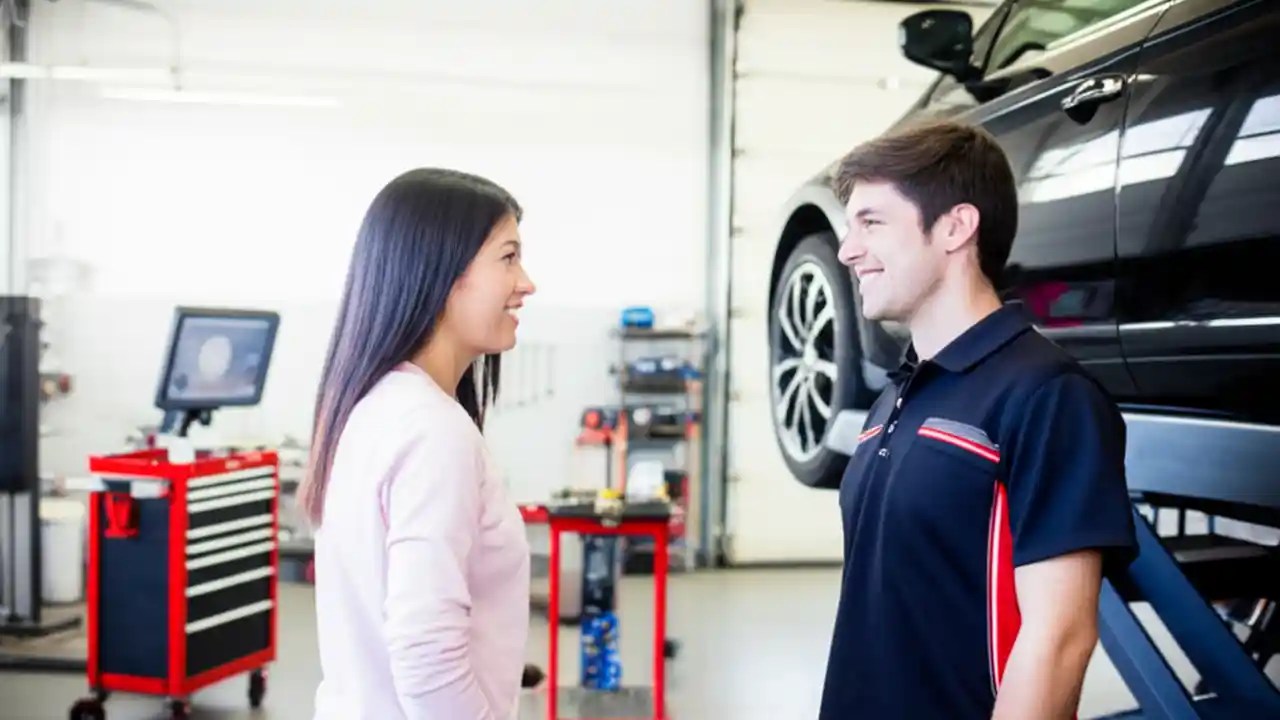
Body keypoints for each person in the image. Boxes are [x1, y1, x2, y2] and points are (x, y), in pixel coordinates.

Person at [818, 120, 1137, 720]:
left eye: (872, 223)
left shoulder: (1046, 396)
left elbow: (1060, 637)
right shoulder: (899, 396)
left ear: (956, 228)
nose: (846, 249)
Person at [299, 168, 537, 720]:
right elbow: (427, 653)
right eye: (508, 257)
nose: (525, 282)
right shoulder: (434, 432)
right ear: (442, 273)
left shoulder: (371, 406)